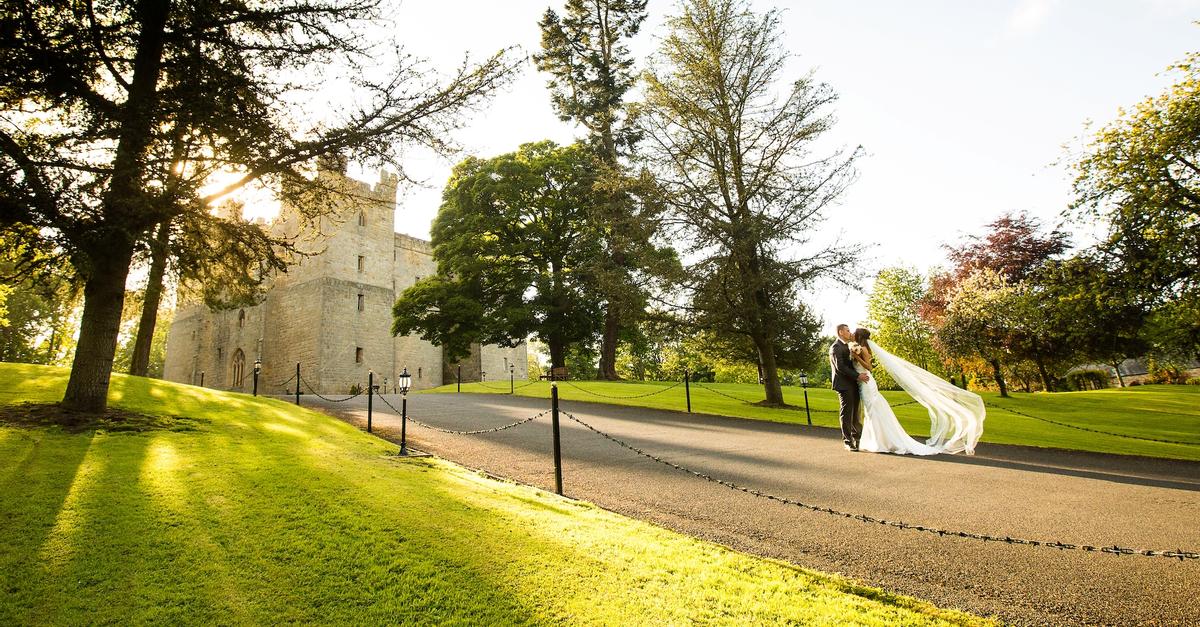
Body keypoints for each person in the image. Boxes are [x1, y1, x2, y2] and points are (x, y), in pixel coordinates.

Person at [849, 327, 986, 455]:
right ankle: (875, 440)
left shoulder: (864, 349)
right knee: (870, 411)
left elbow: (869, 367)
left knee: (873, 411)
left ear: (860, 336)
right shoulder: (858, 348)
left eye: (855, 333)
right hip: (862, 383)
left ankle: (881, 442)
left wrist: (857, 357)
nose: (853, 334)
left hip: (867, 383)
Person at [829, 323, 869, 451]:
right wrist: (858, 375)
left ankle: (858, 438)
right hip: (844, 385)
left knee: (856, 413)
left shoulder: (849, 345)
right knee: (847, 413)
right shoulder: (836, 347)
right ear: (841, 332)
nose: (849, 332)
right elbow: (841, 367)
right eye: (847, 330)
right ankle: (848, 441)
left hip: (853, 383)